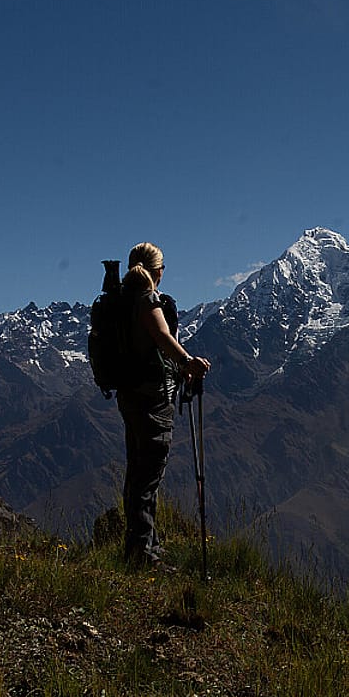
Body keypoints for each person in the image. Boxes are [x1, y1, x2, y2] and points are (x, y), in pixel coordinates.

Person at [117, 241, 210, 568]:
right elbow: (160, 335)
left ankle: (143, 545)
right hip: (152, 399)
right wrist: (188, 362)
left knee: (137, 469)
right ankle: (142, 555)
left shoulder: (121, 300)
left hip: (128, 396)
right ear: (157, 270)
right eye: (164, 266)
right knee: (148, 474)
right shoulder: (145, 299)